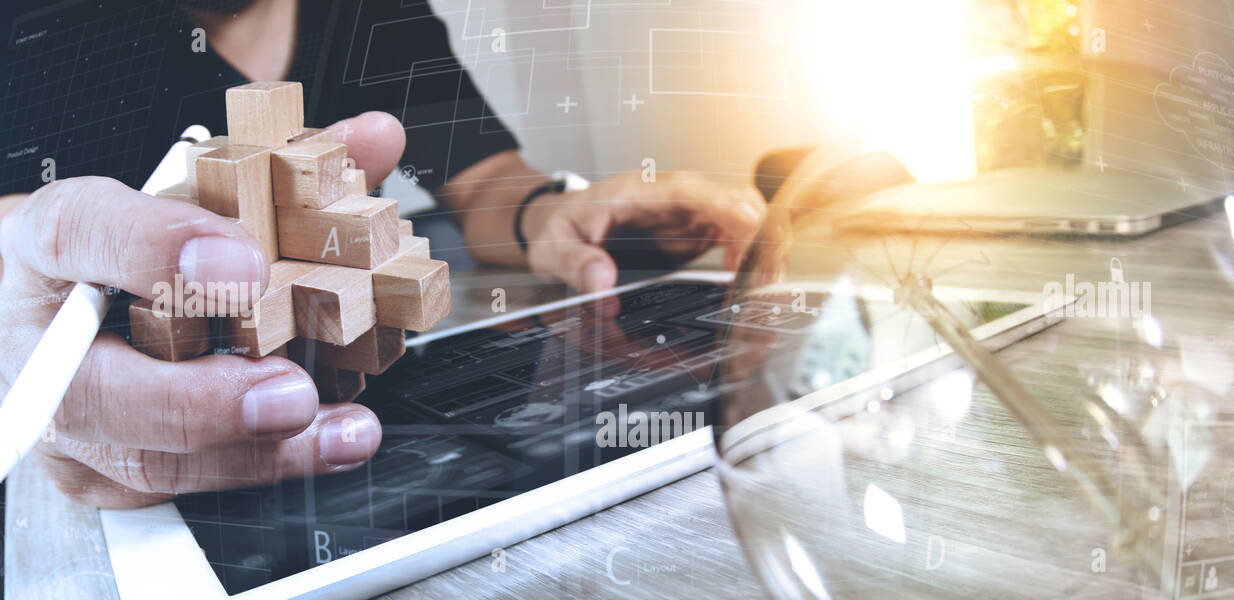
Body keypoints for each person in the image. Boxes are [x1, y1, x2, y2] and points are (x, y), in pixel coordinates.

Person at [0, 0, 765, 508]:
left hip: (351, 437)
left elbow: (484, 175)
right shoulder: (39, 28)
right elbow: (15, 240)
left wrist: (551, 211)